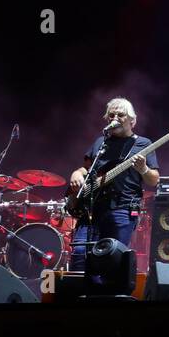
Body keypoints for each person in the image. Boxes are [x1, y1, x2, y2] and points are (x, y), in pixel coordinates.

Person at [68, 99, 159, 274]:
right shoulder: (101, 142)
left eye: (120, 114)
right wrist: (76, 174)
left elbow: (154, 180)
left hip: (122, 209)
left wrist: (144, 169)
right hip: (91, 209)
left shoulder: (143, 144)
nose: (114, 118)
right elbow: (85, 168)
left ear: (132, 120)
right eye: (111, 115)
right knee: (80, 254)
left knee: (111, 258)